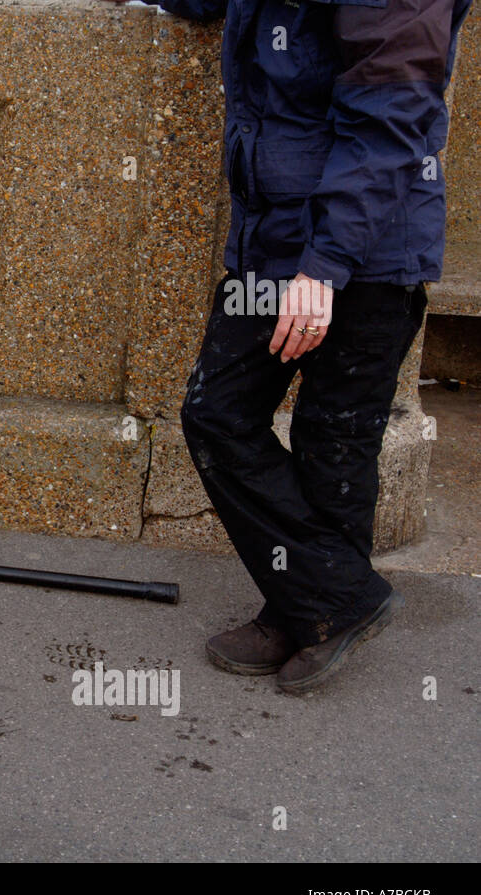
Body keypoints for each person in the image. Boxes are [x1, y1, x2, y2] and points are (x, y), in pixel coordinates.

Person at [104, 0, 472, 691]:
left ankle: (309, 610)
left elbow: (390, 117)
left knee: (333, 437)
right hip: (277, 235)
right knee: (218, 412)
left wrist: (325, 265)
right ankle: (325, 599)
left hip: (366, 249)